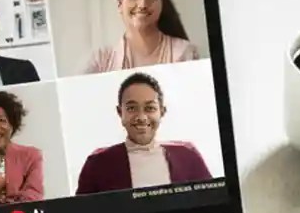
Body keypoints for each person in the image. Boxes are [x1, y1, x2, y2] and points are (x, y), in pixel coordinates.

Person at [76, 72, 212, 195]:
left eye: (150, 108)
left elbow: (212, 203)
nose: (141, 117)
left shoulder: (187, 155)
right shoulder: (98, 164)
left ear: (162, 111)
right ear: (120, 112)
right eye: (131, 108)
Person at [84, 0, 199, 74]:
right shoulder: (100, 61)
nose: (143, 4)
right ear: (120, 4)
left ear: (163, 4)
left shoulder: (185, 52)